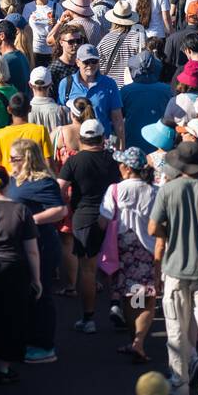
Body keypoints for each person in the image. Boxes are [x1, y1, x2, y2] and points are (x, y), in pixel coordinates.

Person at [147, 141, 198, 395]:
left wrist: (168, 235)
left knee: (176, 329)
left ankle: (179, 382)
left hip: (175, 269)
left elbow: (152, 227)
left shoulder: (168, 190)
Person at [59, 118, 121, 333]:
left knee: (88, 269)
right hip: (112, 216)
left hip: (84, 217)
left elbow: (61, 188)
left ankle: (88, 319)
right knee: (115, 265)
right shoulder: (113, 159)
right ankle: (117, 307)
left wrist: (66, 205)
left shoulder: (74, 161)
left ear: (81, 139)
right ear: (102, 138)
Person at [7, 139, 66, 364]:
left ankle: (44, 346)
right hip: (21, 245)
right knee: (26, 294)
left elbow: (60, 210)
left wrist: (30, 220)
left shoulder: (44, 183)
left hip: (42, 246)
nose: (10, 162)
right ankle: (26, 340)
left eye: (15, 158)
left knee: (41, 294)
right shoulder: (15, 180)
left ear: (28, 159)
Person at [0, 167, 41, 381]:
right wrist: (37, 279)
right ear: (8, 183)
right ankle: (4, 369)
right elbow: (31, 250)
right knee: (10, 318)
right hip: (14, 270)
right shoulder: (21, 210)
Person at [99, 148, 160, 362]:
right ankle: (138, 342)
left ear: (126, 168)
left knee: (131, 296)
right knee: (148, 298)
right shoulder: (154, 191)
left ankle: (135, 340)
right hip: (149, 248)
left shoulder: (115, 190)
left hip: (123, 248)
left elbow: (103, 221)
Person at [56, 42, 124, 144]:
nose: (90, 65)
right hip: (75, 143)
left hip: (101, 144)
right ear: (77, 62)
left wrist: (121, 146)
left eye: (94, 61)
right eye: (86, 62)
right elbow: (61, 115)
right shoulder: (66, 84)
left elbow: (117, 118)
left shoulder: (109, 84)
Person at [0, 92, 52, 173]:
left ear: (8, 110)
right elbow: (49, 164)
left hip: (8, 183)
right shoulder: (40, 131)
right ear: (30, 108)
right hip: (34, 182)